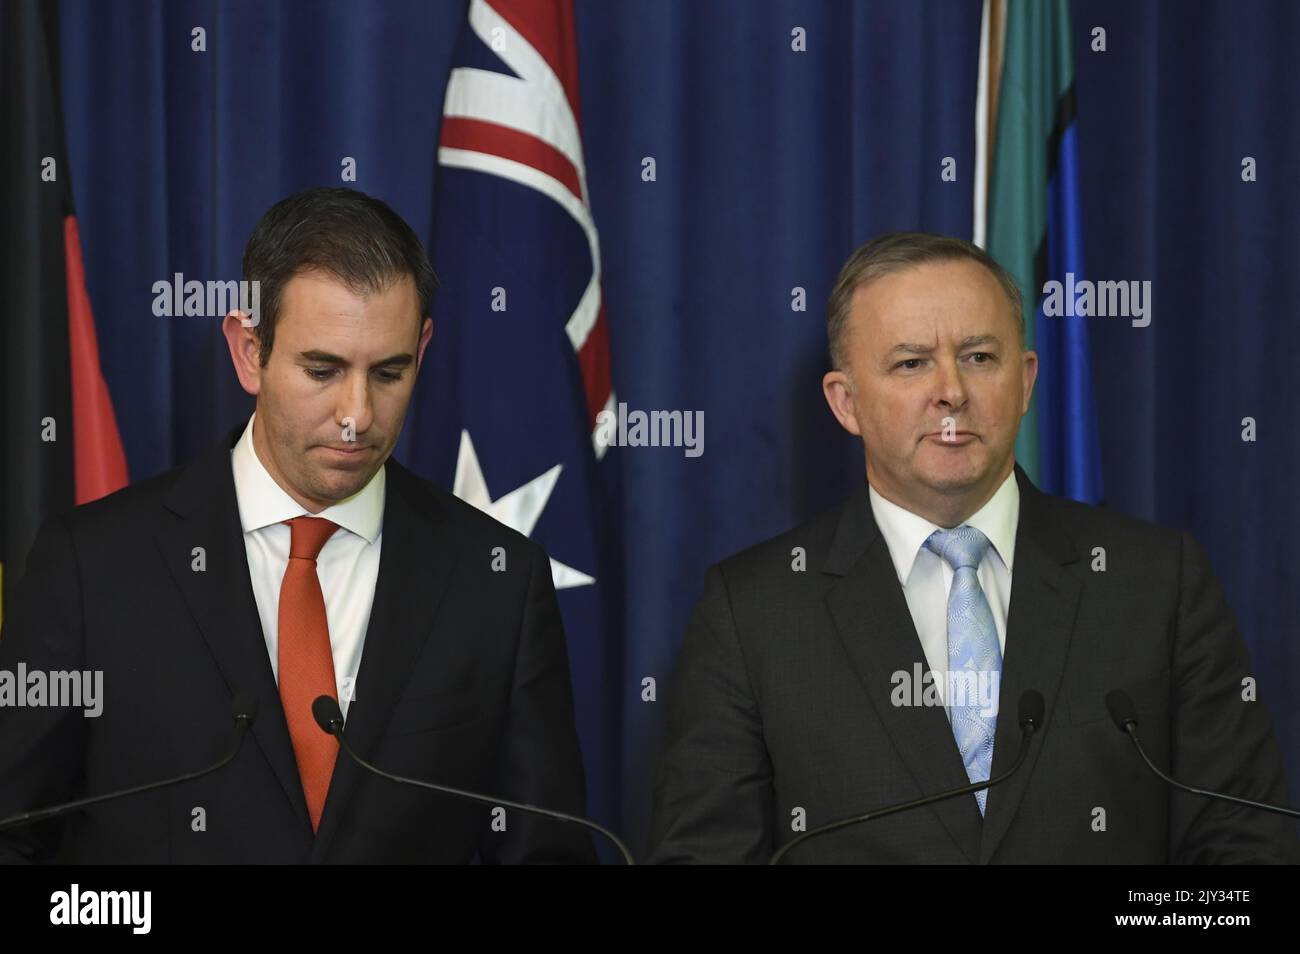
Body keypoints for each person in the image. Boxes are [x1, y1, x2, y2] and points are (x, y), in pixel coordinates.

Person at [648, 232, 1299, 864]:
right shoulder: (754, 611)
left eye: (979, 356)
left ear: (1025, 381)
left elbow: (1246, 845)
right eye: (911, 362)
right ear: (845, 402)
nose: (951, 392)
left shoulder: (1157, 582)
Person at [0, 187, 596, 863]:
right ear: (249, 350)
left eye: (390, 373)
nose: (357, 415)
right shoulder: (93, 567)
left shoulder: (500, 583)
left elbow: (545, 853)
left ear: (423, 350)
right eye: (323, 370)